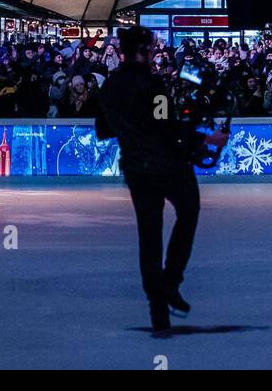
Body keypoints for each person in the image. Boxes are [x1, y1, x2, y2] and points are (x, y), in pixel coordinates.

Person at [96, 26, 224, 335]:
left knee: (149, 234)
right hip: (166, 164)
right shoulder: (152, 84)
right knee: (188, 210)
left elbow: (103, 129)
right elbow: (167, 126)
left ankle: (158, 308)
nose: (156, 51)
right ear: (143, 49)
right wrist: (207, 140)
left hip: (136, 168)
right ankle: (170, 282)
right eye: (152, 46)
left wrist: (131, 128)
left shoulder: (111, 85)